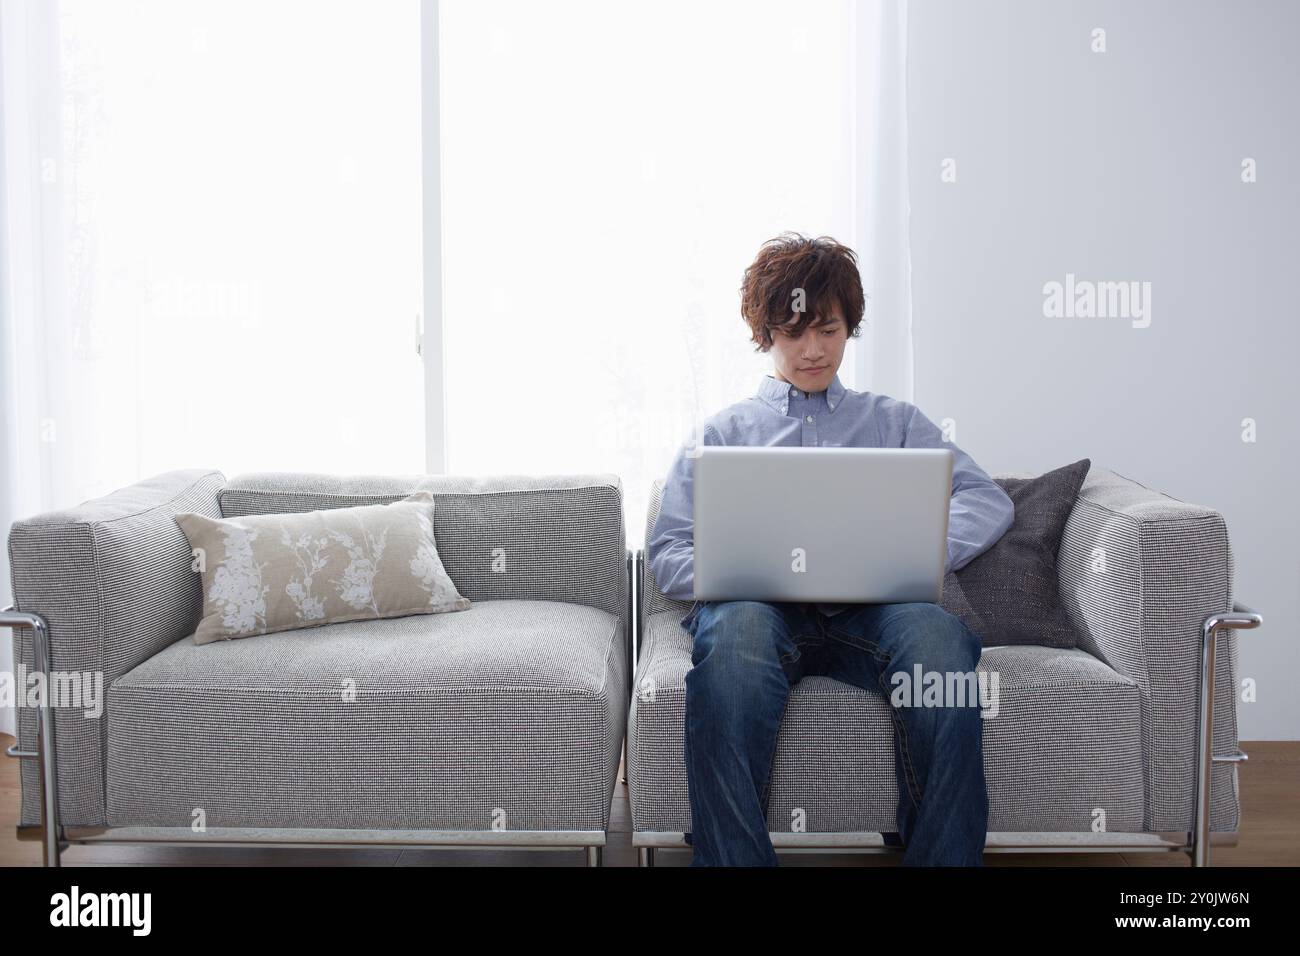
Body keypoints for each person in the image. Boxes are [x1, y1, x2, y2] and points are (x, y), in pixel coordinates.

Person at [647, 233, 1014, 866]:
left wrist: (914, 552)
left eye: (829, 329)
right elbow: (668, 548)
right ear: (767, 334)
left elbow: (986, 499)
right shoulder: (722, 434)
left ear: (851, 327)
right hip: (759, 613)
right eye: (794, 333)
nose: (814, 350)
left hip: (872, 611)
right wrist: (742, 571)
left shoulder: (894, 423)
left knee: (940, 645)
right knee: (732, 642)